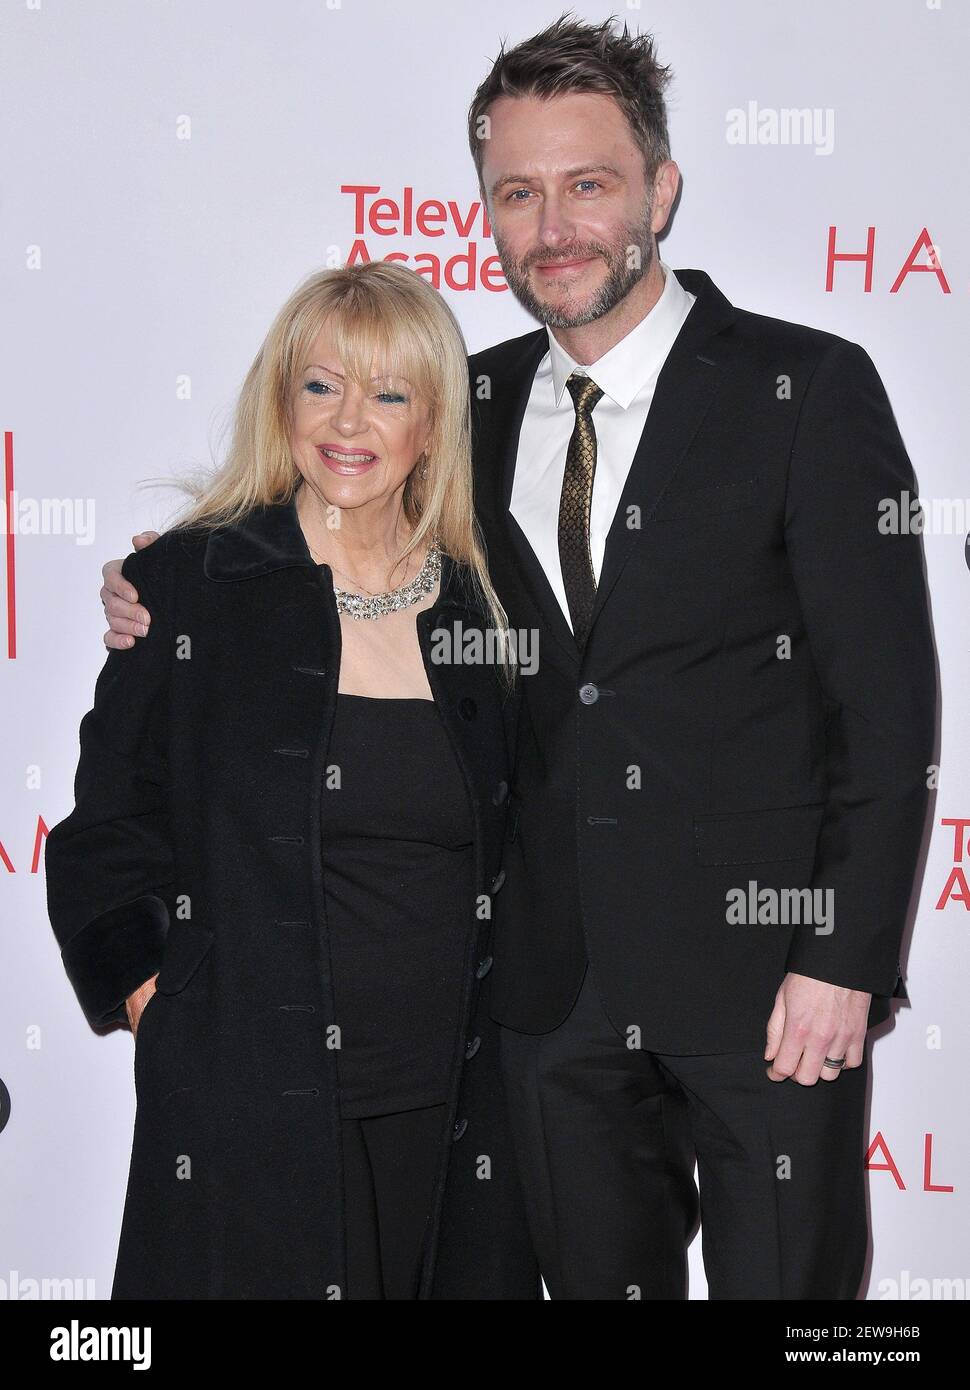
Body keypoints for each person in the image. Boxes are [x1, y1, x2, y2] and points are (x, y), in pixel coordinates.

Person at [100, 16, 937, 1299]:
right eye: (518, 193)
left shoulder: (806, 389)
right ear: (486, 211)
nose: (554, 225)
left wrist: (839, 957)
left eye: (589, 184)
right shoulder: (456, 407)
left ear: (660, 188)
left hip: (766, 993)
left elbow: (887, 709)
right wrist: (172, 582)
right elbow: (317, 519)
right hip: (541, 1012)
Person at [46, 259, 540, 1300]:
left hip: (451, 1110)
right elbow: (103, 836)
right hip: (248, 1107)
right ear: (283, 398)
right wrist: (161, 1011)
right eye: (321, 384)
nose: (348, 419)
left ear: (433, 419)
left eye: (388, 392)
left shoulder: (487, 605)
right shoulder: (190, 582)